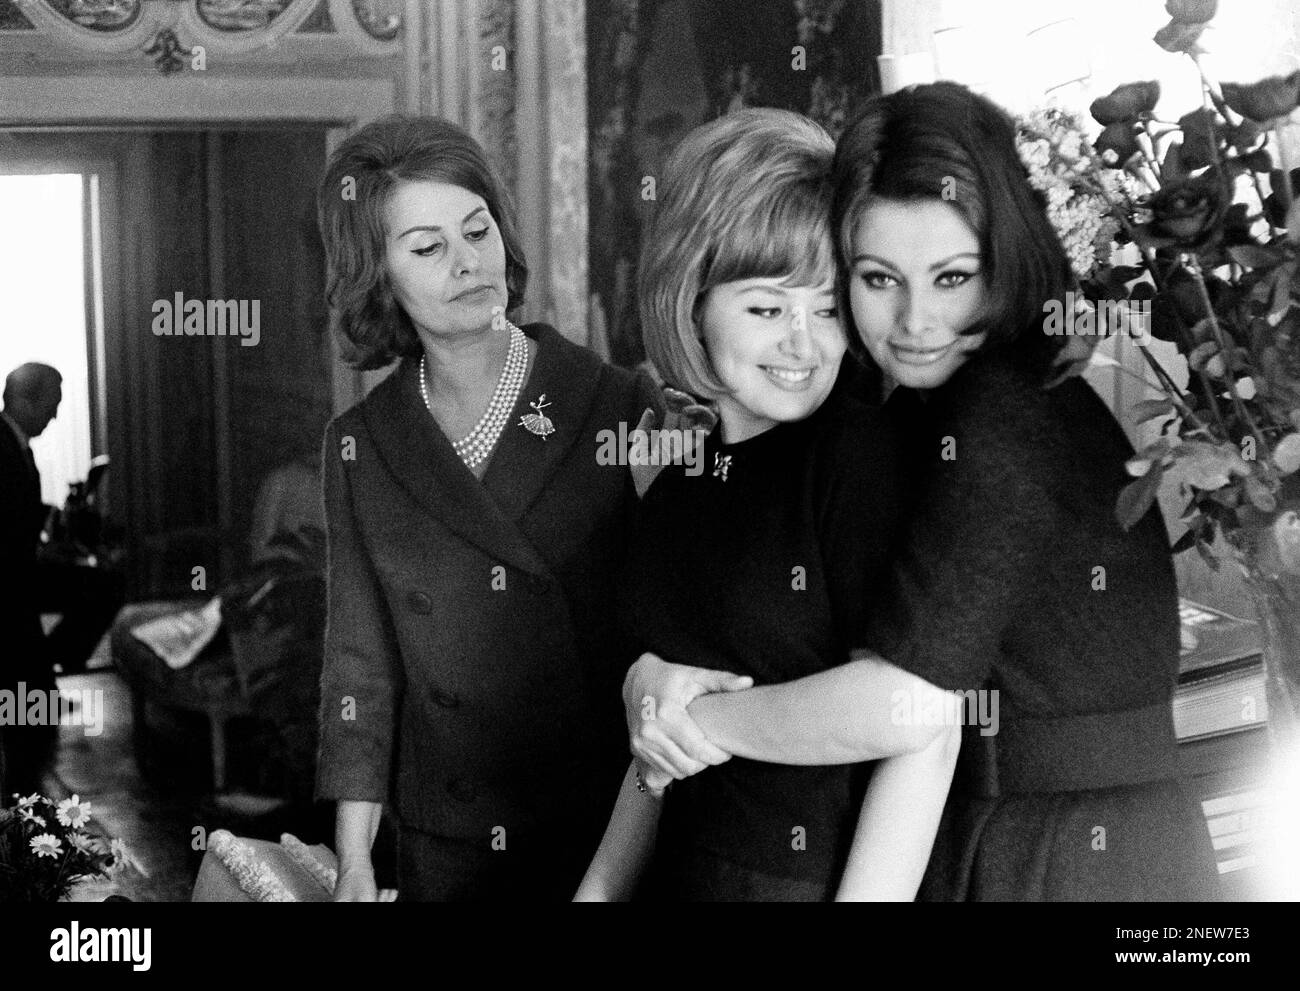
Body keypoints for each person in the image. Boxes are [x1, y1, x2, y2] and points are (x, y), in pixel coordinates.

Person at [624, 82, 1221, 901]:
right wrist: (651, 683)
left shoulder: (999, 404)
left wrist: (690, 719)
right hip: (1012, 828)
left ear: (1004, 257)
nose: (916, 322)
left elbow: (906, 700)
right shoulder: (913, 404)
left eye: (950, 277)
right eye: (876, 279)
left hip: (1070, 851)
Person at [575, 109, 961, 902]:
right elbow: (659, 756)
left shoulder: (858, 456)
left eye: (825, 308)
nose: (804, 343)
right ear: (691, 298)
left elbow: (923, 721)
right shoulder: (679, 475)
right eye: (765, 308)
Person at [314, 114, 674, 901]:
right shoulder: (361, 446)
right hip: (448, 839)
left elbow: (681, 615)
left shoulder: (614, 404)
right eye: (427, 248)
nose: (467, 263)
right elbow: (360, 666)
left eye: (475, 231)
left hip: (607, 828)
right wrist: (353, 862)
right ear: (380, 275)